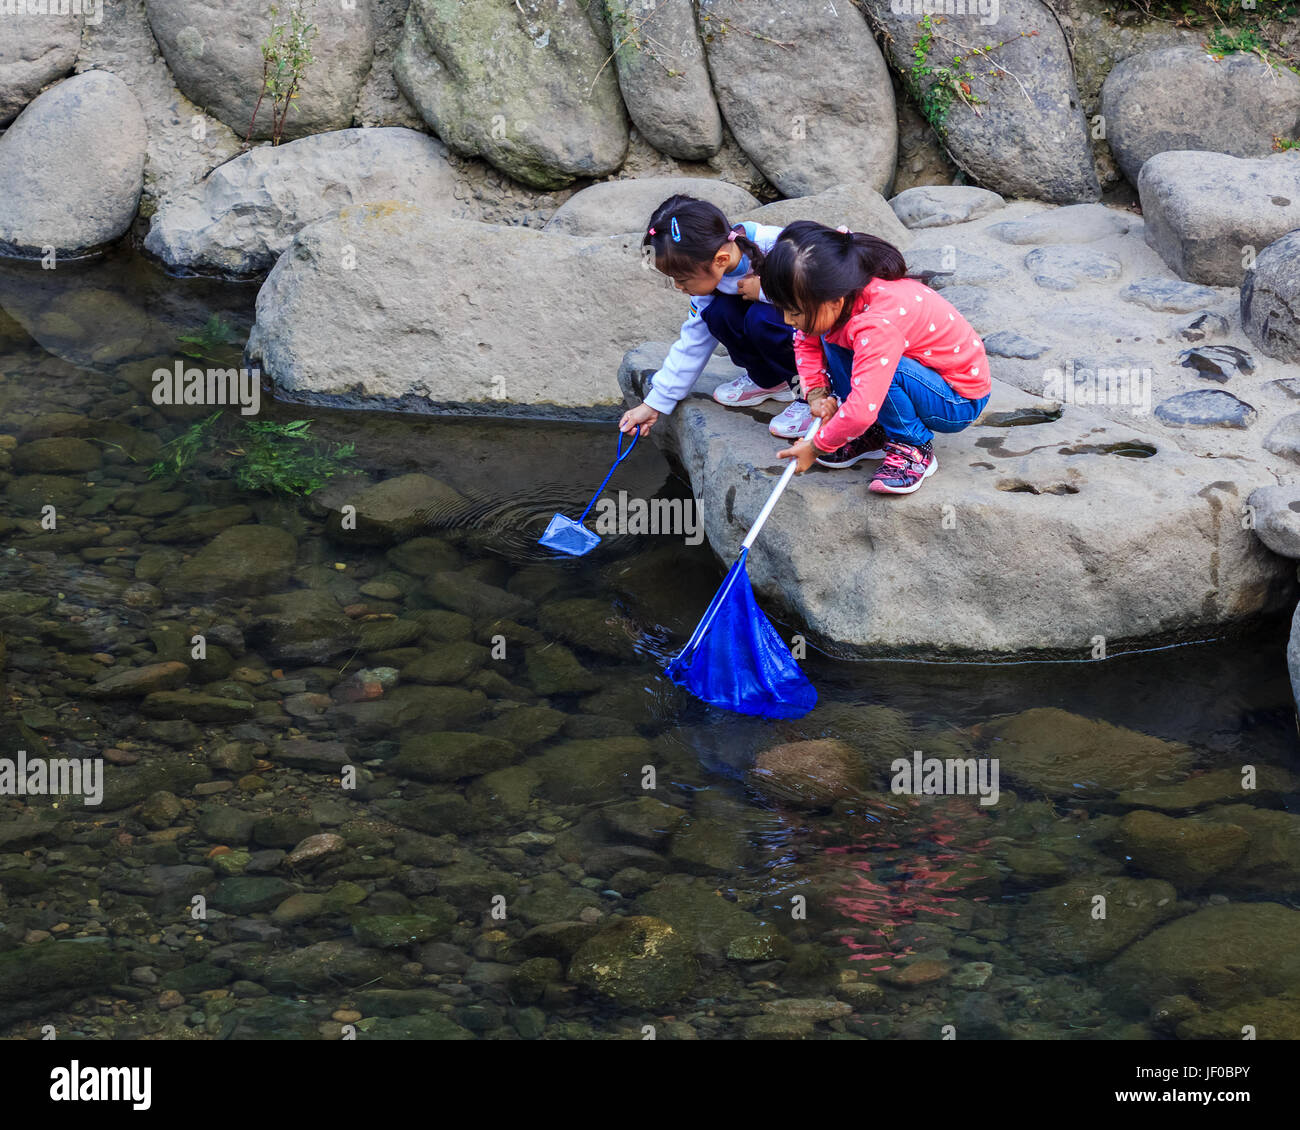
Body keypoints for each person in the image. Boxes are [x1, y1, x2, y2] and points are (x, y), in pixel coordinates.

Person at [761, 221, 991, 495]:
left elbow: (860, 409)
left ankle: (913, 445)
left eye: (794, 312)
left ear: (835, 300)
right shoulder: (835, 299)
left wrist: (816, 446)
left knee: (887, 371)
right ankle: (878, 431)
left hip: (958, 399)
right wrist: (816, 394)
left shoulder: (877, 324)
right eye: (783, 310)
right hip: (920, 375)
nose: (788, 320)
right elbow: (805, 341)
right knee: (826, 334)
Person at [618, 195, 812, 440]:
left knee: (761, 318)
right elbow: (694, 340)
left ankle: (810, 396)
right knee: (719, 313)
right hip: (778, 334)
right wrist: (656, 402)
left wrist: (765, 291)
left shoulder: (780, 247)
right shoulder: (713, 266)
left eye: (683, 279)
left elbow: (823, 303)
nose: (678, 287)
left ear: (720, 260)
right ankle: (770, 380)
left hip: (817, 349)